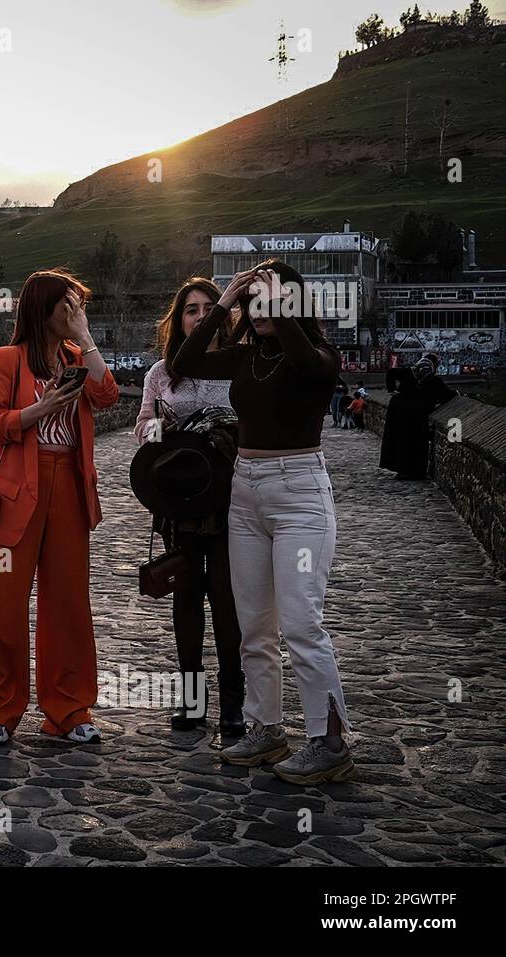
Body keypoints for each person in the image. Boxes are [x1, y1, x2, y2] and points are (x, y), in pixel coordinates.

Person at [173, 259, 355, 786]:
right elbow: (185, 360)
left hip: (299, 494)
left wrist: (279, 302)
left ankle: (329, 740)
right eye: (255, 304)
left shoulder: (319, 355)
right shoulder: (245, 358)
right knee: (253, 623)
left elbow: (307, 361)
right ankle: (265, 727)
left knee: (300, 622)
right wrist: (226, 301)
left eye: (270, 302)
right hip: (246, 493)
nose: (260, 312)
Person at [0, 269, 119, 746]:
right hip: (16, 495)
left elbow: (108, 395)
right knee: (1, 605)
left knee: (69, 604)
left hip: (69, 492)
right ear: (44, 308)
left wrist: (87, 338)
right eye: (69, 305)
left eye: (81, 305)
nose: (77, 313)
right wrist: (42, 409)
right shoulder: (6, 359)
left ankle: (70, 707)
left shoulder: (78, 357)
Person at [134, 278, 244, 738]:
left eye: (207, 308)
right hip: (180, 497)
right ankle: (192, 703)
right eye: (190, 310)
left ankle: (233, 706)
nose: (199, 316)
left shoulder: (239, 365)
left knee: (226, 601)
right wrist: (162, 429)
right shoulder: (162, 373)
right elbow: (142, 429)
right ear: (178, 320)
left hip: (231, 497)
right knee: (185, 598)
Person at [380, 353, 456, 479]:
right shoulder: (432, 380)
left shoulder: (408, 372)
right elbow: (446, 394)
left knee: (400, 440)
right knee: (417, 443)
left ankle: (402, 470)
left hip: (399, 410)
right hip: (417, 414)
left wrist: (392, 390)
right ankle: (415, 472)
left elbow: (391, 373)